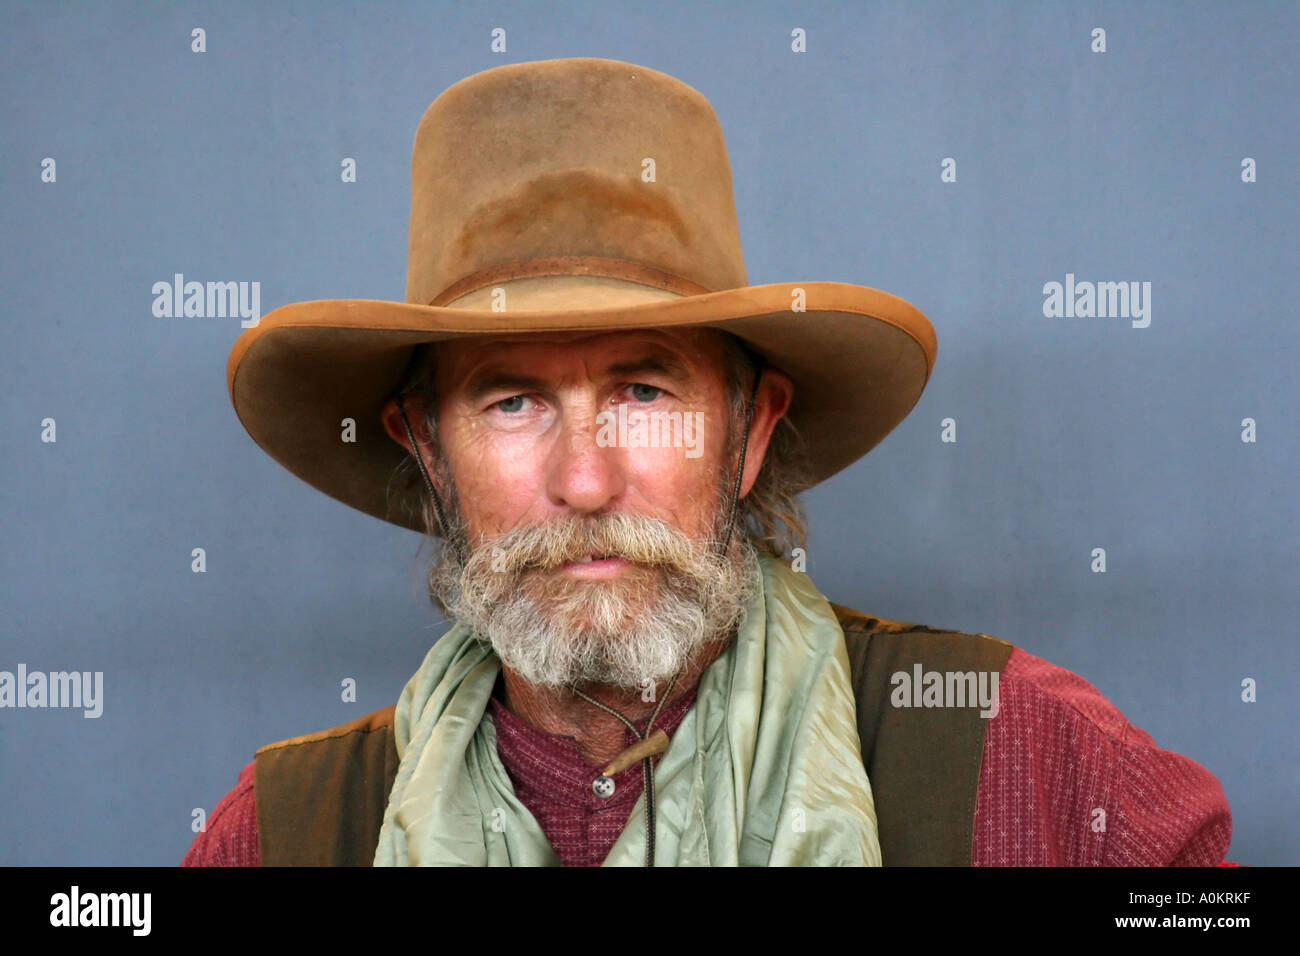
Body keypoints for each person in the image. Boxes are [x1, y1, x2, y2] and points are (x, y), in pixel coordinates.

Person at [184, 56, 1231, 867]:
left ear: (751, 431)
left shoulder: (1027, 753)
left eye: (645, 393)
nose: (585, 481)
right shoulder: (279, 835)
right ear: (427, 450)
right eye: (512, 403)